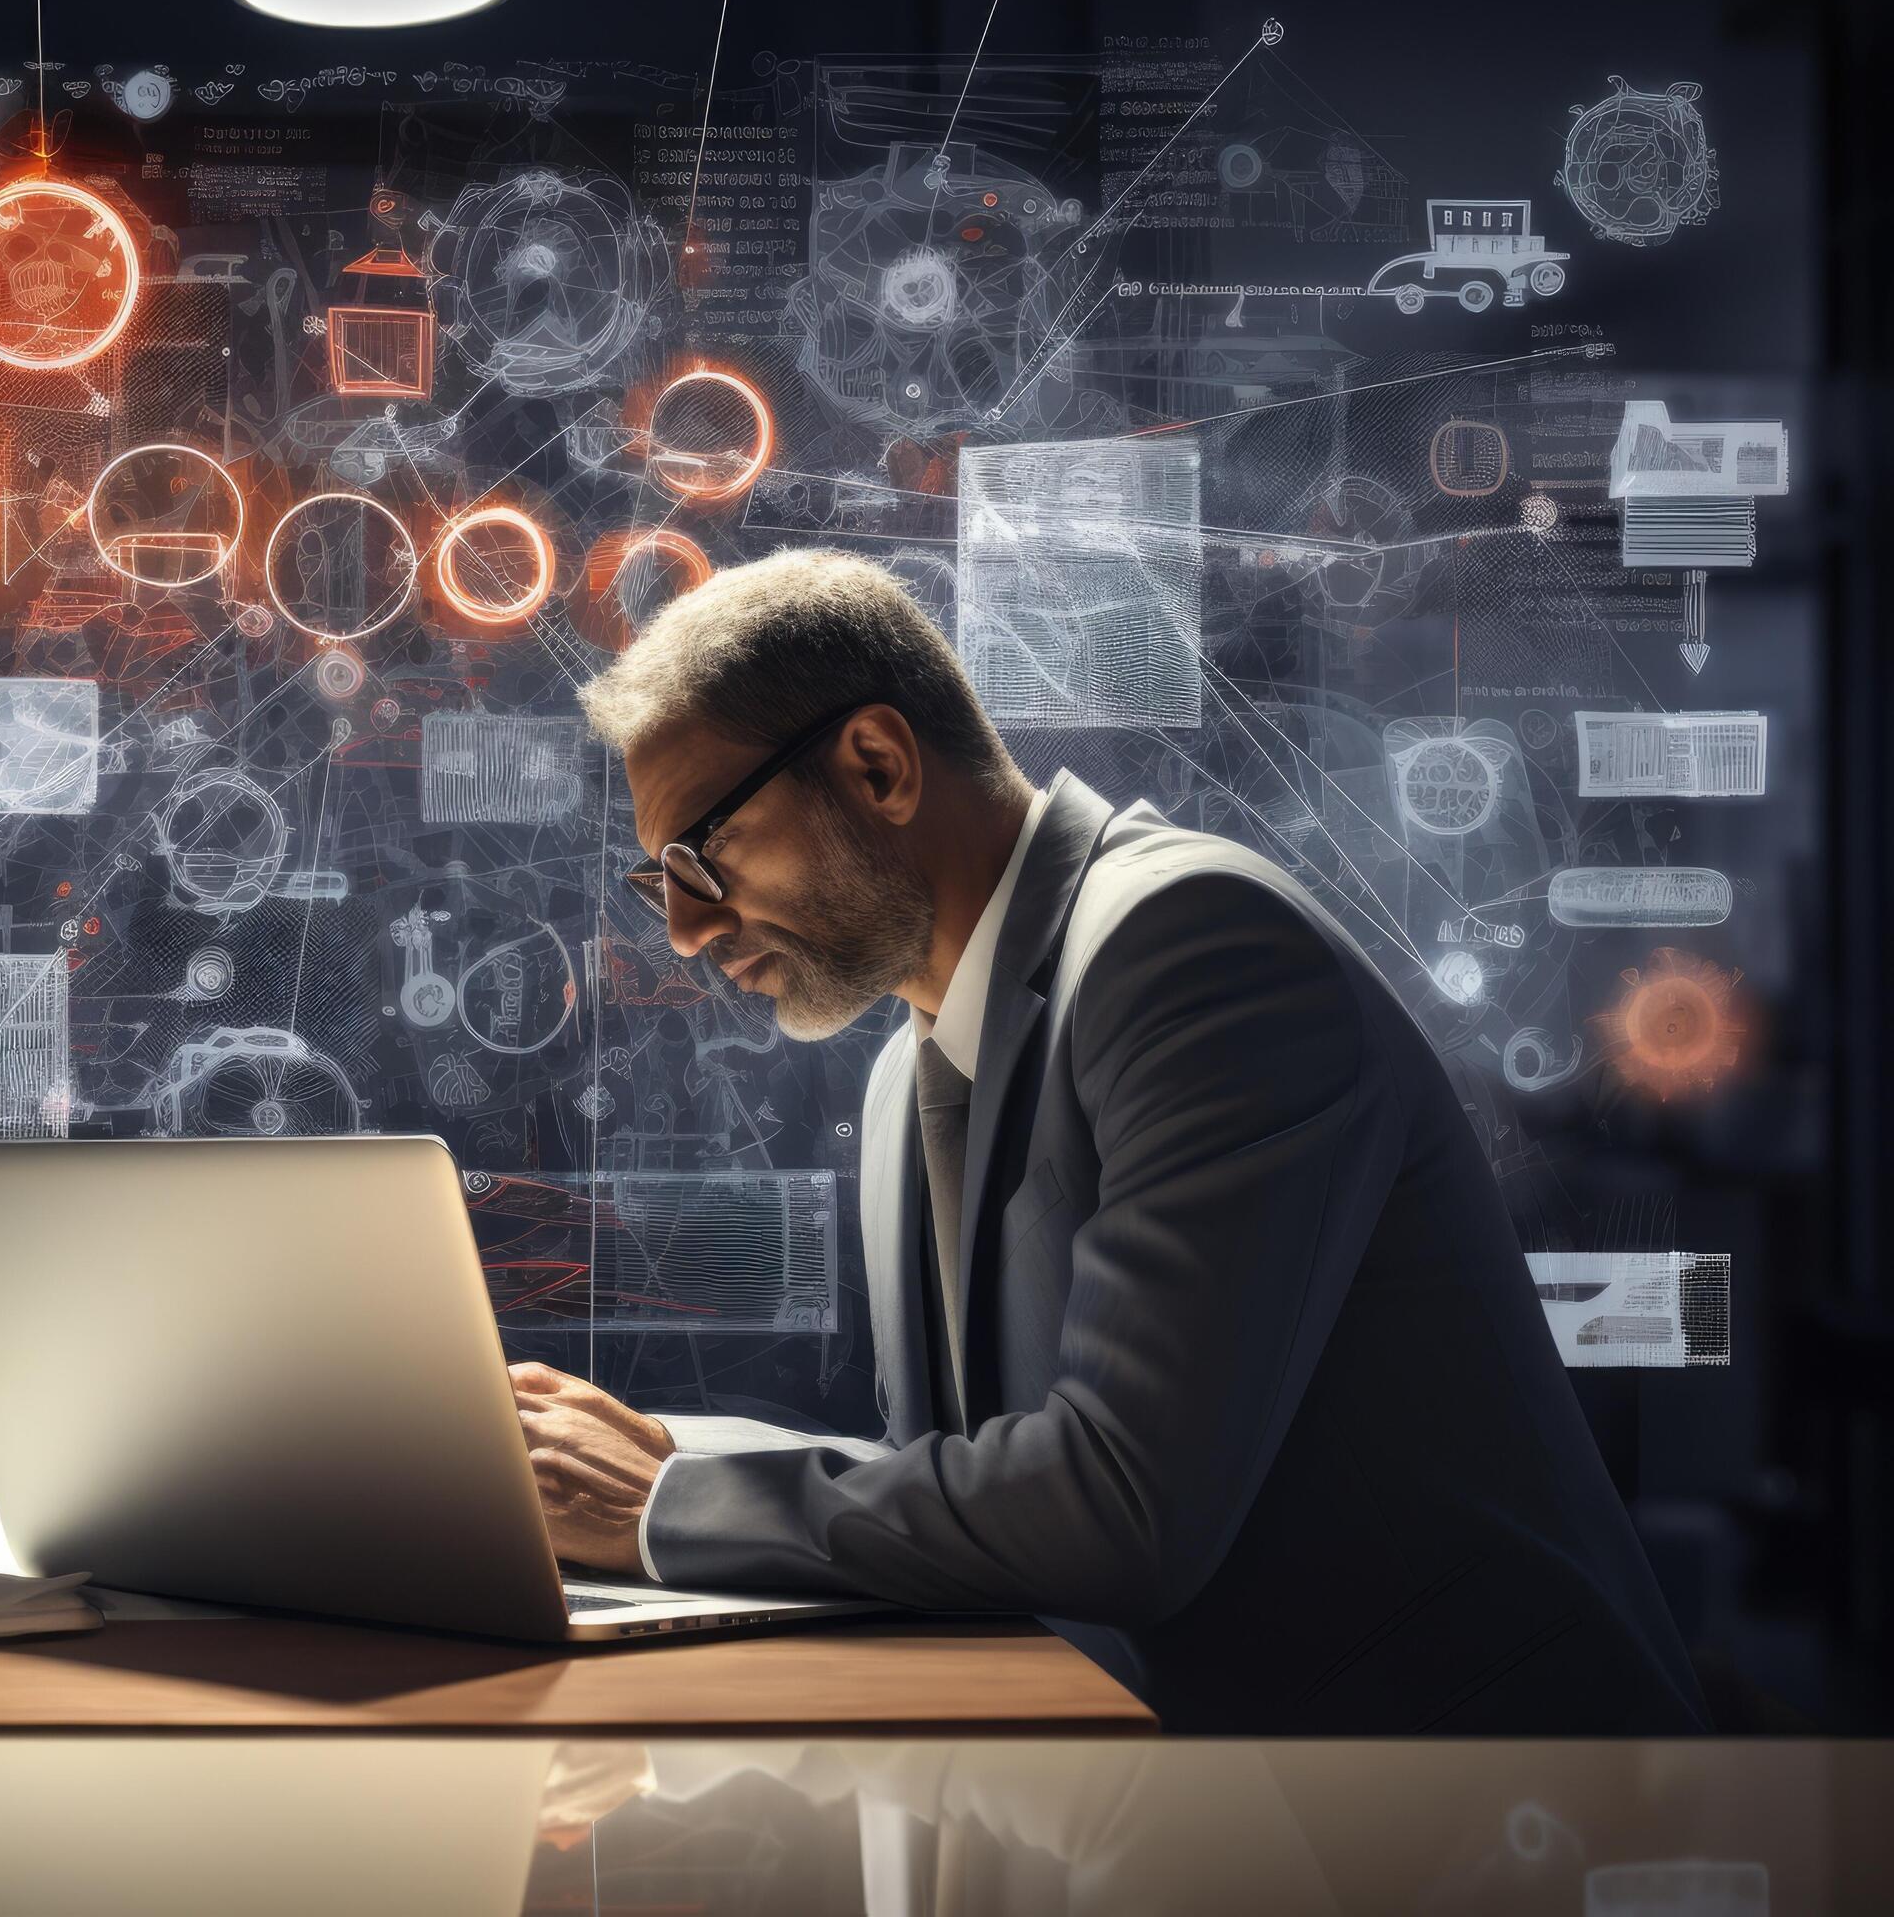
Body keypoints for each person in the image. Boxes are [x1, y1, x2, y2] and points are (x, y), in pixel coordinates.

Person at [510, 548, 1707, 1733]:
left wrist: (671, 1501)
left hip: (1487, 1818)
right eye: (654, 878)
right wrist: (641, 1450)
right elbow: (980, 1477)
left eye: (700, 853)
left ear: (877, 766)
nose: (678, 928)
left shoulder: (1192, 948)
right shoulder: (907, 1071)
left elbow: (1124, 1508)